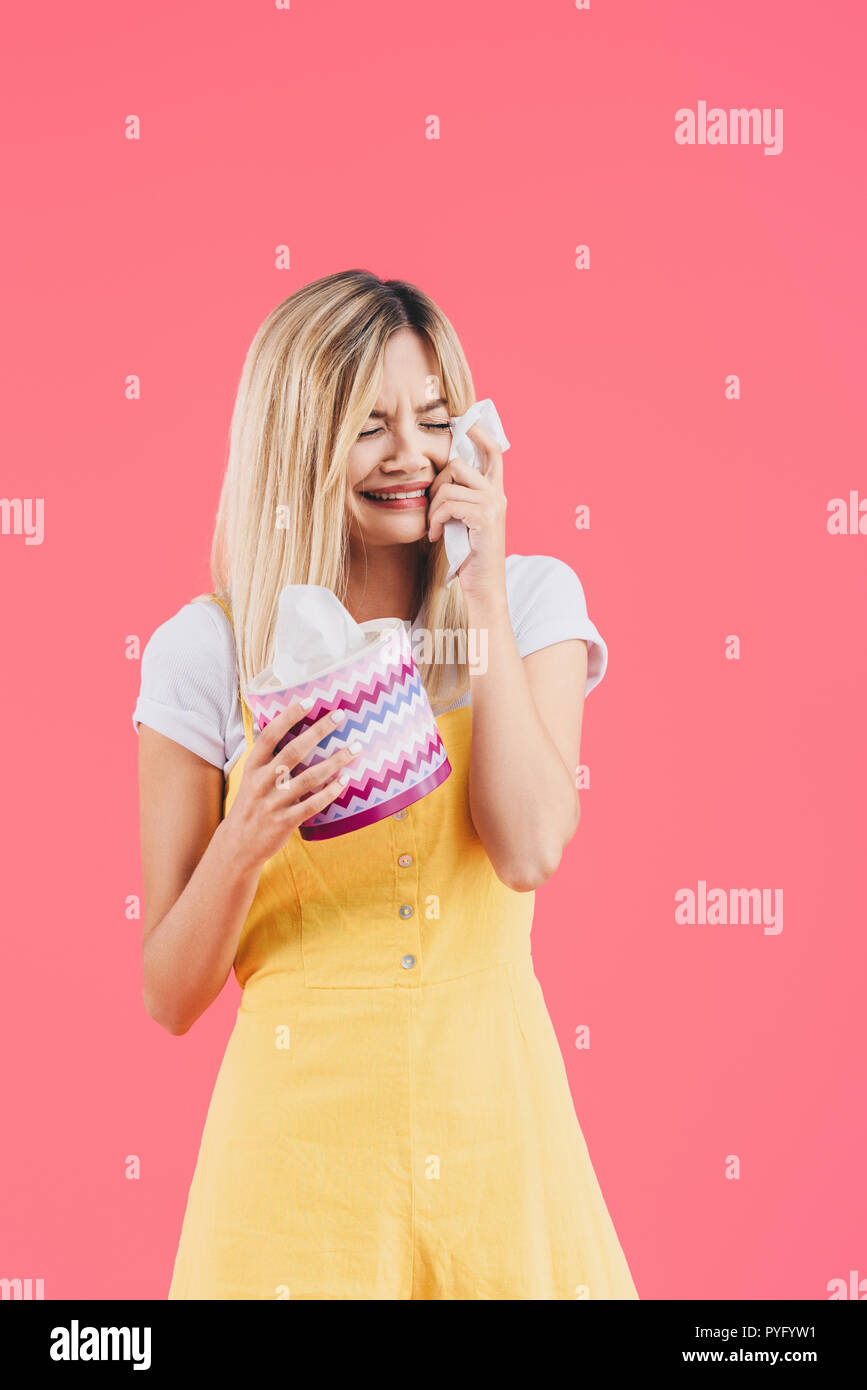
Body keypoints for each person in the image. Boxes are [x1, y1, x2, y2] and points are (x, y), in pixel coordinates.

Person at [134, 269, 639, 1300]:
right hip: (296, 1172)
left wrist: (480, 591)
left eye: (435, 419)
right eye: (369, 425)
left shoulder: (531, 599)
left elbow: (528, 848)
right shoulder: (207, 653)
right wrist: (246, 834)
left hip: (499, 1143)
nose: (412, 453)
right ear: (297, 439)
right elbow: (169, 994)